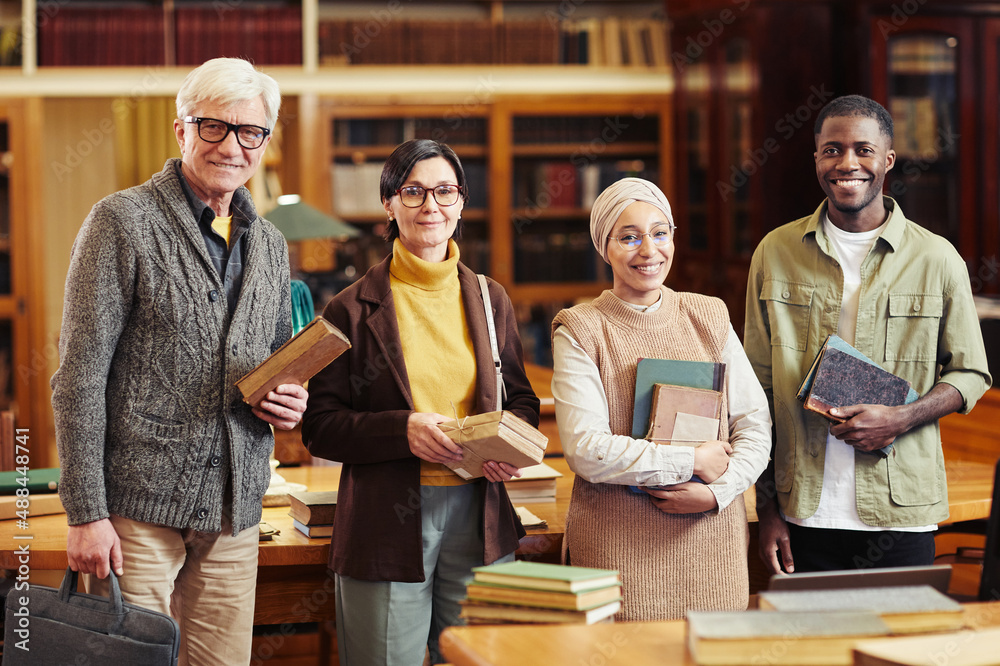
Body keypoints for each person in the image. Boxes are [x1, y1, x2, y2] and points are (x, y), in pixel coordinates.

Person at [50, 57, 308, 665]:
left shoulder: (270, 244)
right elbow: (79, 378)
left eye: (251, 132)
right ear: (182, 130)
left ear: (264, 141)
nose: (232, 146)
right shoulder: (122, 222)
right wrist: (85, 512)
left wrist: (286, 398)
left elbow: (272, 363)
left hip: (236, 511)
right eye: (214, 127)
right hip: (136, 512)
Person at [301, 138, 540, 666]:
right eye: (413, 191)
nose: (431, 205)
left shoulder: (488, 297)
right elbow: (320, 426)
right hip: (386, 519)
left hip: (481, 513)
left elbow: (521, 399)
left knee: (476, 659)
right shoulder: (349, 308)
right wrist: (401, 430)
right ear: (389, 203)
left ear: (461, 202)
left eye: (444, 191)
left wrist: (509, 444)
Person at [744, 95, 992, 576]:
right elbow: (755, 390)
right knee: (810, 651)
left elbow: (972, 373)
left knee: (897, 648)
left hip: (902, 512)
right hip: (803, 510)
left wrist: (901, 417)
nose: (847, 164)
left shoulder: (937, 259)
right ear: (816, 158)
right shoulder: (774, 252)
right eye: (832, 150)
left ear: (888, 160)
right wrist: (767, 508)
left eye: (863, 149)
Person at [550, 177, 771, 621]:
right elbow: (586, 450)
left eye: (659, 232)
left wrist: (717, 492)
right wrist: (691, 462)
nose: (648, 250)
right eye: (628, 237)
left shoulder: (708, 314)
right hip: (618, 554)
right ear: (604, 247)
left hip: (714, 553)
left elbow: (754, 424)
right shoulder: (580, 329)